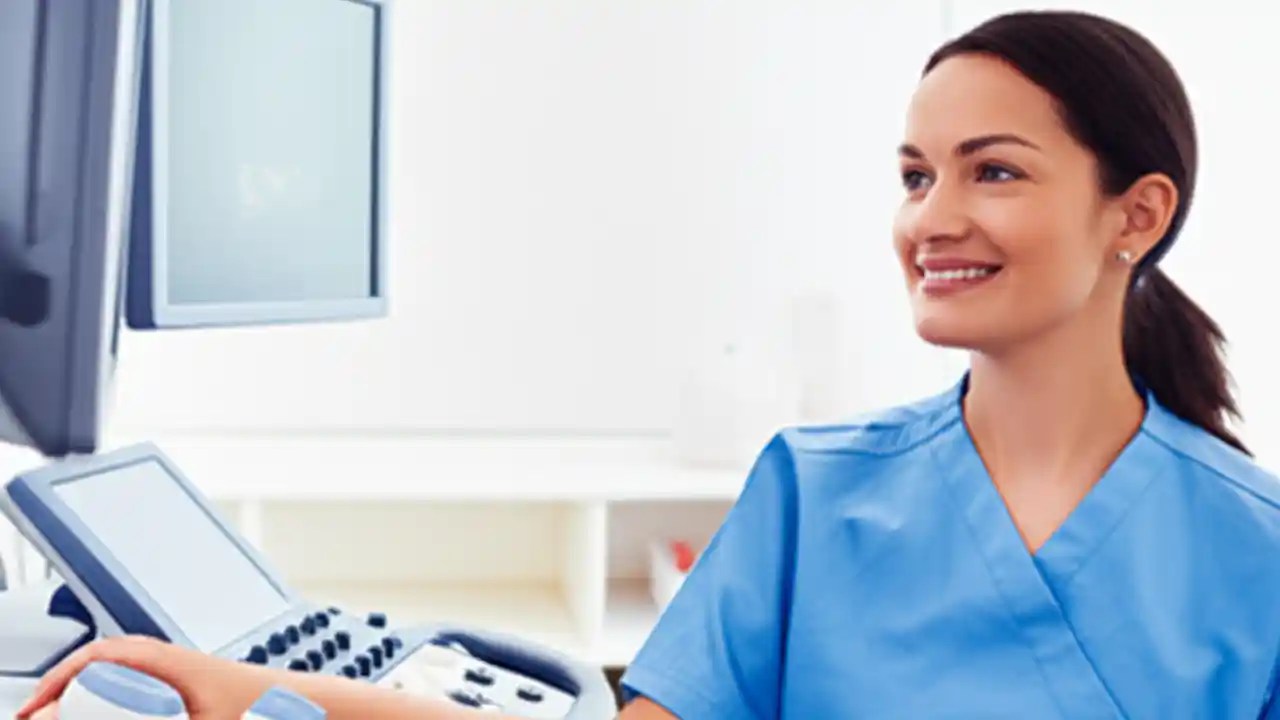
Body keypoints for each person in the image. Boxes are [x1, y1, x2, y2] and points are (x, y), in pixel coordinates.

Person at [18, 9, 1280, 720]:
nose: (928, 217)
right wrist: (241, 688)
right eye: (912, 175)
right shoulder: (816, 493)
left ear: (1136, 213)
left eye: (991, 170)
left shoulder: (1254, 554)